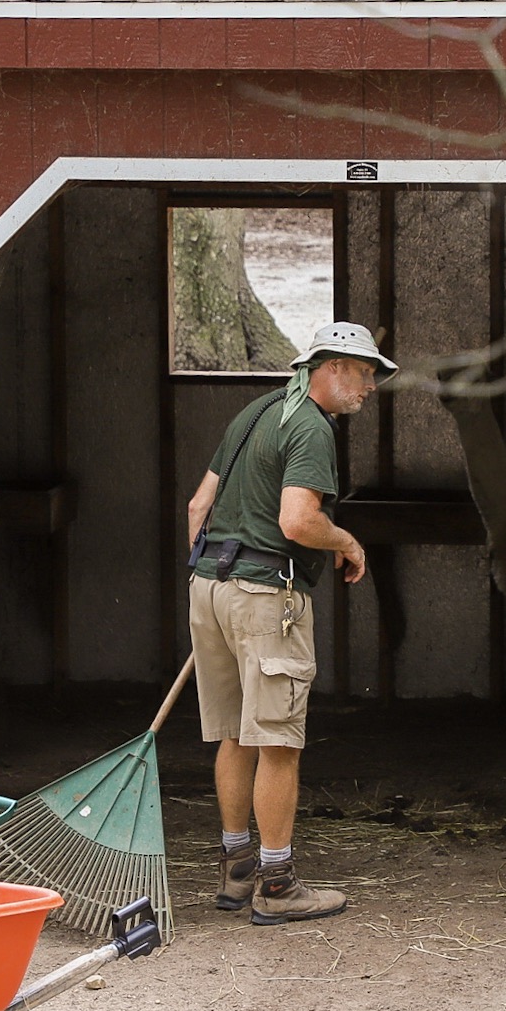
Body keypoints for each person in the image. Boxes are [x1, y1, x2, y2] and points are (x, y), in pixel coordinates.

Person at [184, 321, 394, 925]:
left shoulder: (255, 412)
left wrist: (211, 586)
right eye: (363, 372)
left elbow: (198, 507)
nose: (371, 386)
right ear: (329, 366)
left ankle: (235, 872)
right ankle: (276, 886)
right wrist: (348, 541)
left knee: (233, 734)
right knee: (277, 739)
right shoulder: (310, 426)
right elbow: (298, 522)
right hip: (265, 596)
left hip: (210, 587)